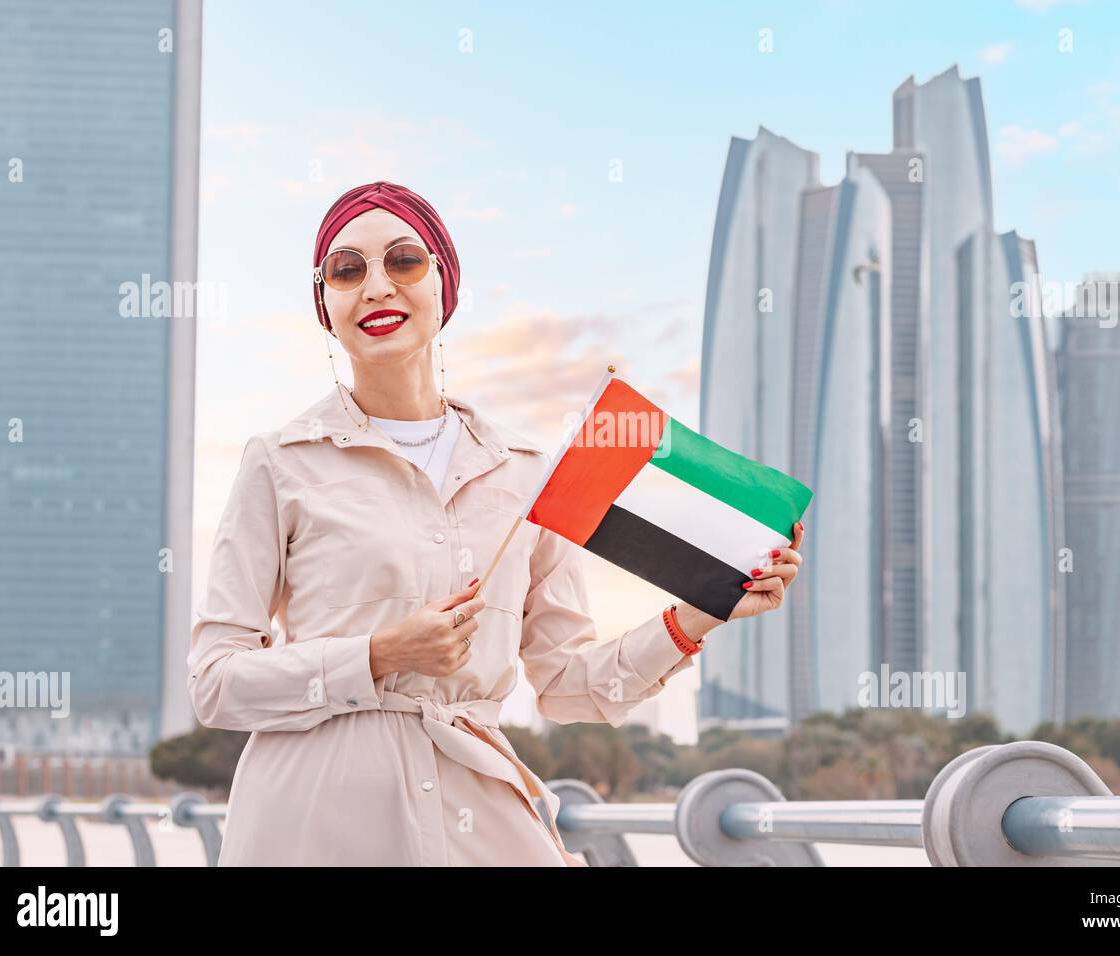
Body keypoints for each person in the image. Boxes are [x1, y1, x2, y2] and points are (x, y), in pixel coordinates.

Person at [186, 180, 806, 866]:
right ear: (325, 304)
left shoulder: (525, 470)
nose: (376, 286)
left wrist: (700, 613)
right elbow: (215, 681)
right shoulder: (279, 463)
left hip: (478, 814)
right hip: (310, 821)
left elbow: (568, 688)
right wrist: (378, 656)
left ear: (443, 285)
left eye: (403, 261)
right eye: (347, 269)